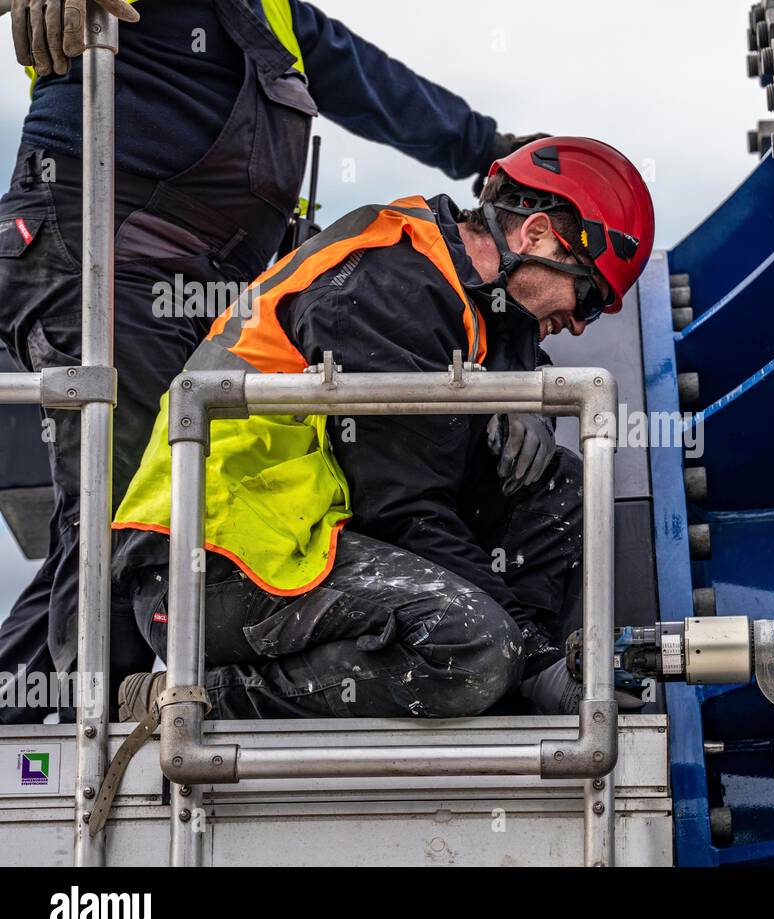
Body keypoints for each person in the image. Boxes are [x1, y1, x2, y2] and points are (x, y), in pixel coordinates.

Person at [0, 0, 544, 722]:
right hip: (101, 251)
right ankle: (91, 737)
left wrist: (492, 150)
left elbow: (365, 78)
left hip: (191, 284)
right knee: (121, 516)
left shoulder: (273, 14)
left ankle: (19, 708)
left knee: (138, 511)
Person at [112, 136, 654, 720]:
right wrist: (528, 653)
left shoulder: (442, 279)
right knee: (475, 647)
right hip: (215, 564)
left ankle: (522, 685)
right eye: (590, 297)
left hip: (304, 540)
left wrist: (520, 382)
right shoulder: (386, 288)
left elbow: (475, 330)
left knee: (557, 487)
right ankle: (194, 699)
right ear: (538, 234)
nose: (579, 324)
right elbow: (403, 509)